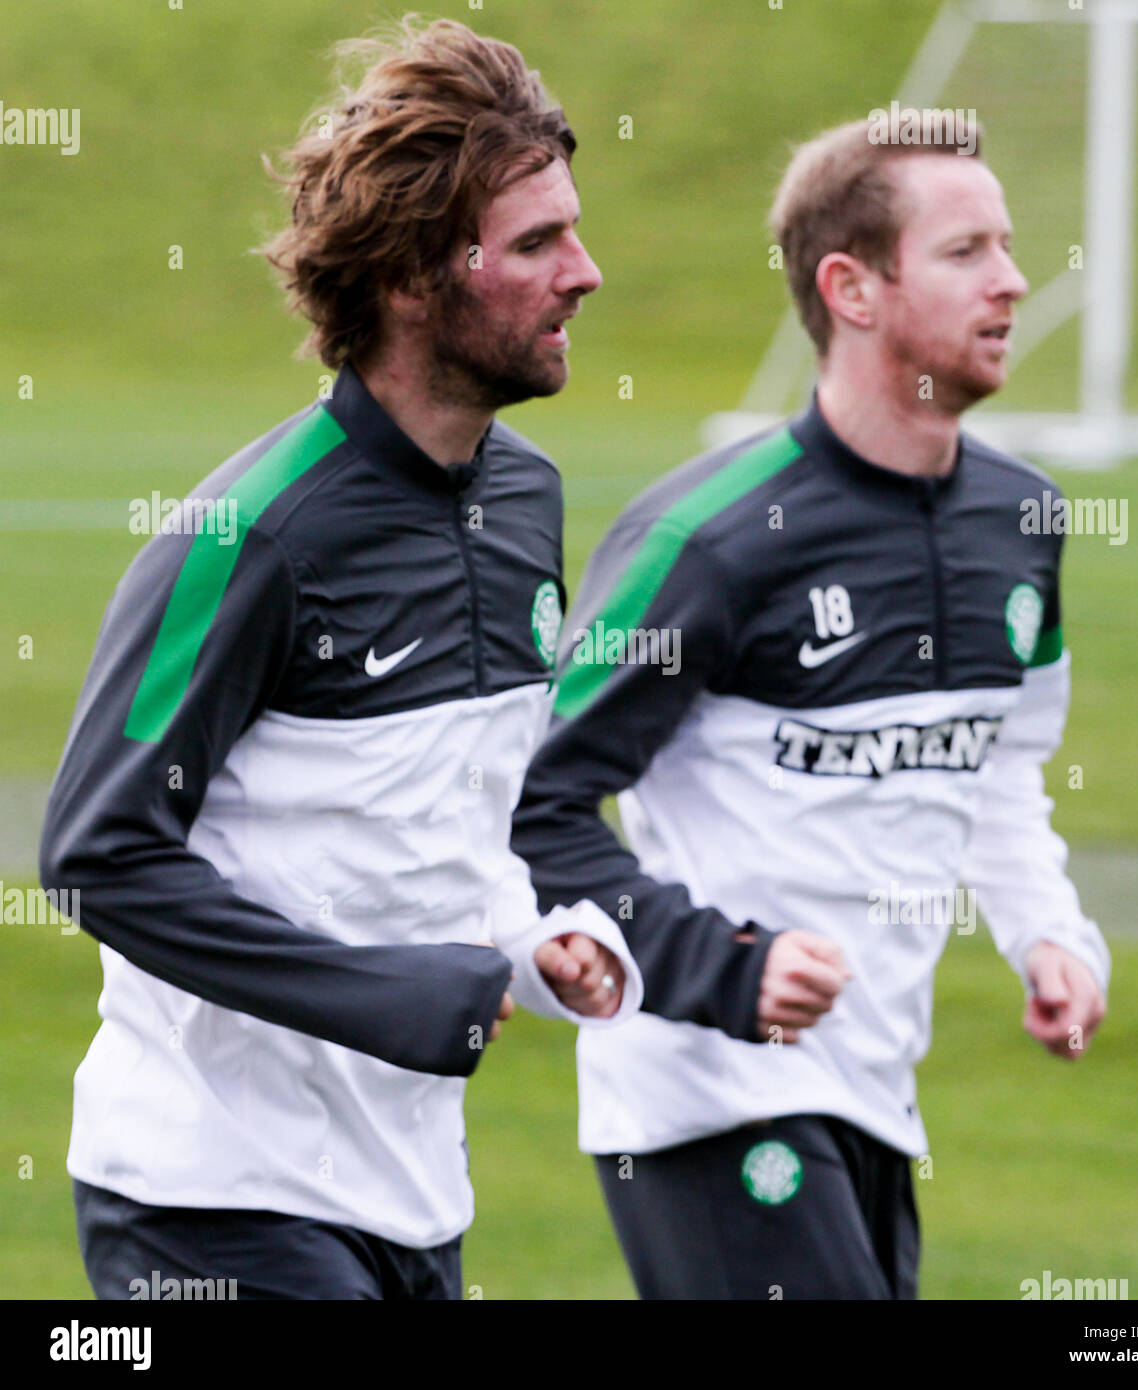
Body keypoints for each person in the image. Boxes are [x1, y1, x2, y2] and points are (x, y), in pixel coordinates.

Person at [39, 15, 645, 1303]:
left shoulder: (527, 500)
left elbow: (436, 822)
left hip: (411, 1192)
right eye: (537, 243)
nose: (585, 272)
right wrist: (387, 996)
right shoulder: (253, 536)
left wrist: (529, 944)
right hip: (209, 1199)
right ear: (418, 277)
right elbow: (99, 855)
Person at [512, 110, 1111, 1300]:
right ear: (853, 288)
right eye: (967, 251)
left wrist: (1047, 929)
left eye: (1008, 244)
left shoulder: (1025, 521)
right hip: (706, 1098)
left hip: (875, 1090)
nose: (1016, 279)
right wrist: (726, 966)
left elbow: (995, 762)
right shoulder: (711, 540)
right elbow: (532, 804)